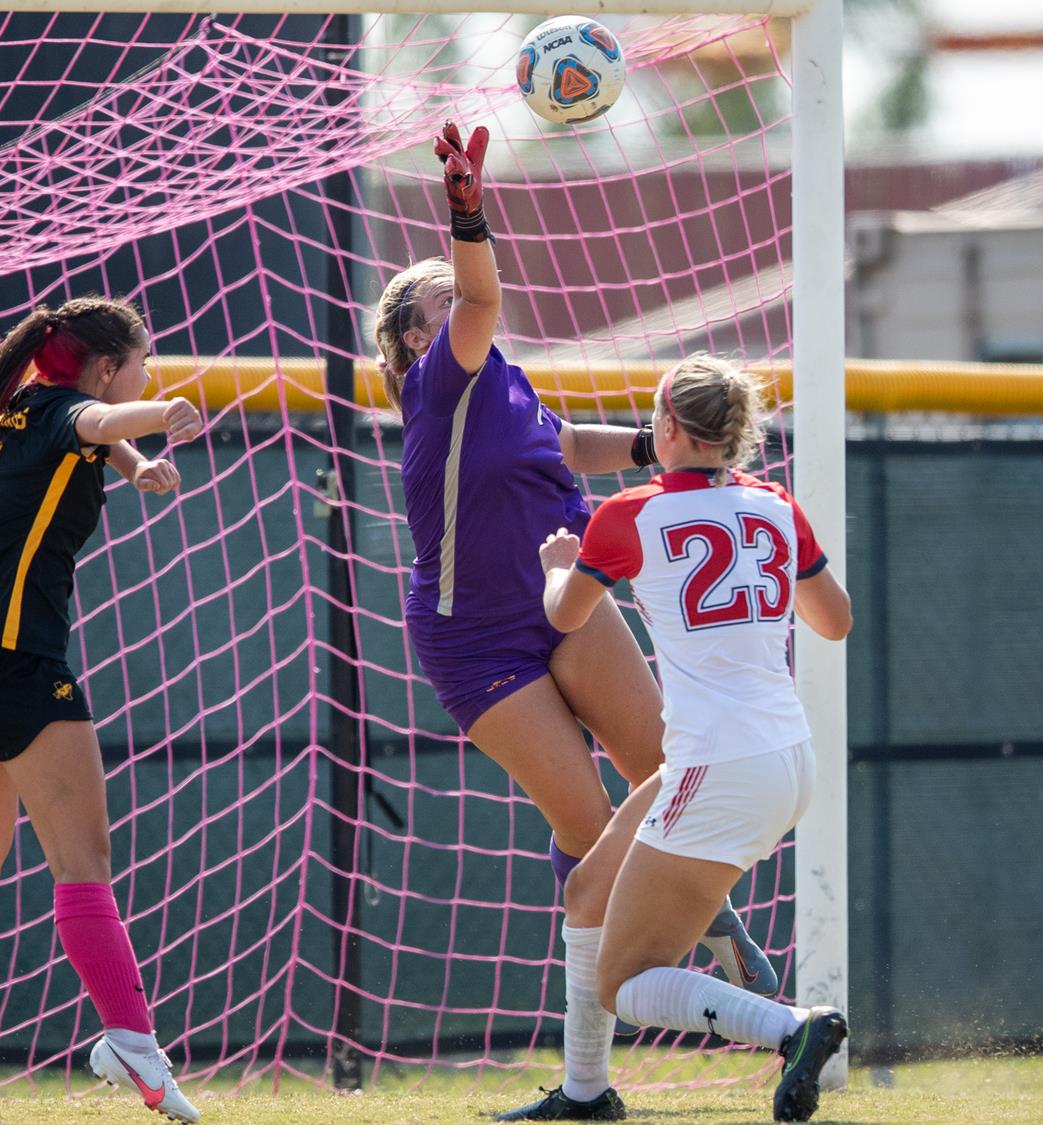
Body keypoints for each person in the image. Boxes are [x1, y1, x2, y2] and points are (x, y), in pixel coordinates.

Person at [374, 125, 778, 1120]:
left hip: (564, 598)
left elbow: (563, 447)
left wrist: (651, 446)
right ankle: (592, 1081)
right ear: (420, 338)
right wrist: (464, 208)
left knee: (668, 774)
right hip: (475, 642)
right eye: (441, 298)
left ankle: (697, 930)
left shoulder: (497, 382)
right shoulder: (441, 379)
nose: (464, 302)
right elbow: (477, 293)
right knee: (586, 830)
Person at [535, 355, 855, 1123]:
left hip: (717, 765)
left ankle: (794, 1028)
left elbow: (563, 617)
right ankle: (584, 1095)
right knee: (589, 889)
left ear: (669, 427)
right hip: (787, 757)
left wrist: (556, 566)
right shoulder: (775, 503)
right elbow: (835, 621)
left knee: (625, 982)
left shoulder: (628, 515)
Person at [0, 296, 205, 1125]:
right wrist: (160, 413)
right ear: (106, 366)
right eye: (143, 360)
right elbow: (101, 414)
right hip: (14, 662)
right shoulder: (86, 408)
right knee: (83, 863)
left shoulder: (19, 408)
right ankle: (130, 1041)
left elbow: (86, 428)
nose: (149, 373)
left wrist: (134, 462)